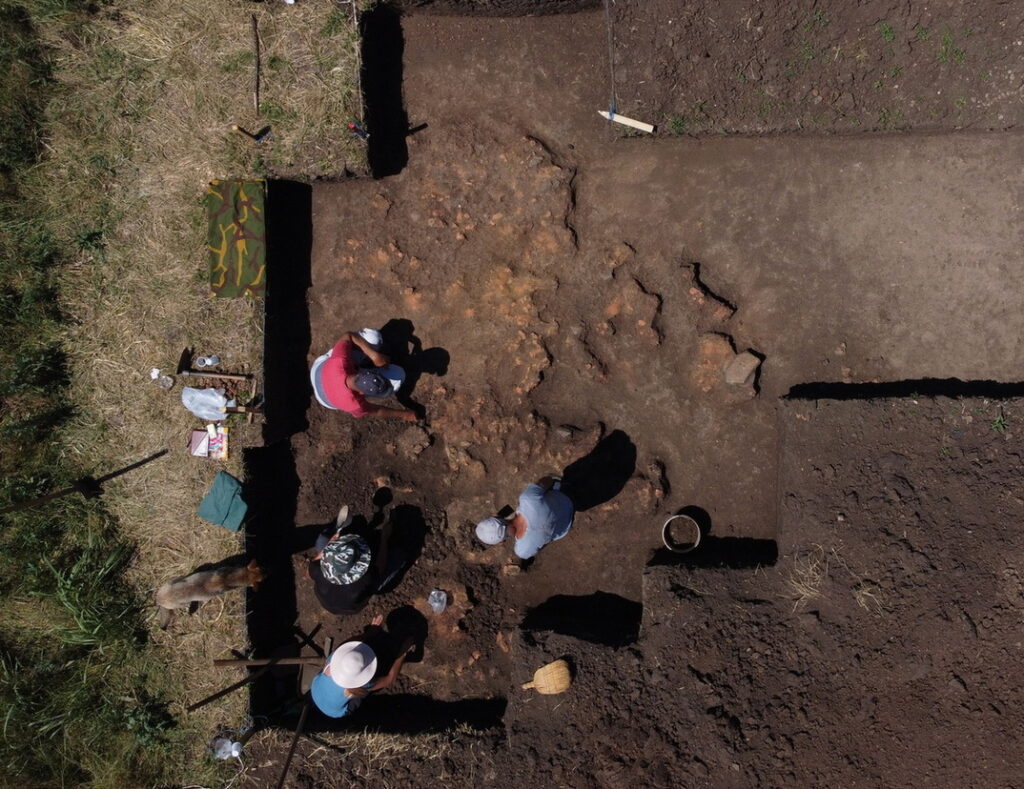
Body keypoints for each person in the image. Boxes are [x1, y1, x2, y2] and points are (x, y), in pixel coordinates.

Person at [310, 616, 415, 719]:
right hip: (335, 711)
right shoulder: (364, 684)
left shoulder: (334, 658)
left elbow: (350, 642)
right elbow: (390, 679)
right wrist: (402, 653)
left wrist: (371, 632)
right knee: (361, 694)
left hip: (315, 691)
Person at [310, 328, 417, 421]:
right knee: (399, 376)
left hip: (322, 368)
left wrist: (373, 355)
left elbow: (348, 335)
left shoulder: (340, 360)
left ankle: (366, 358)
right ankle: (365, 360)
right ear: (362, 393)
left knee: (373, 337)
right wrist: (404, 415)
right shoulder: (353, 404)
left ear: (362, 373)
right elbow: (377, 411)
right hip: (325, 398)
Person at [475, 475, 575, 560]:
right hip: (564, 499)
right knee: (543, 488)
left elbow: (542, 545)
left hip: (566, 525)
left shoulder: (522, 551)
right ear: (495, 516)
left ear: (502, 542)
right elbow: (547, 480)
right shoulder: (528, 499)